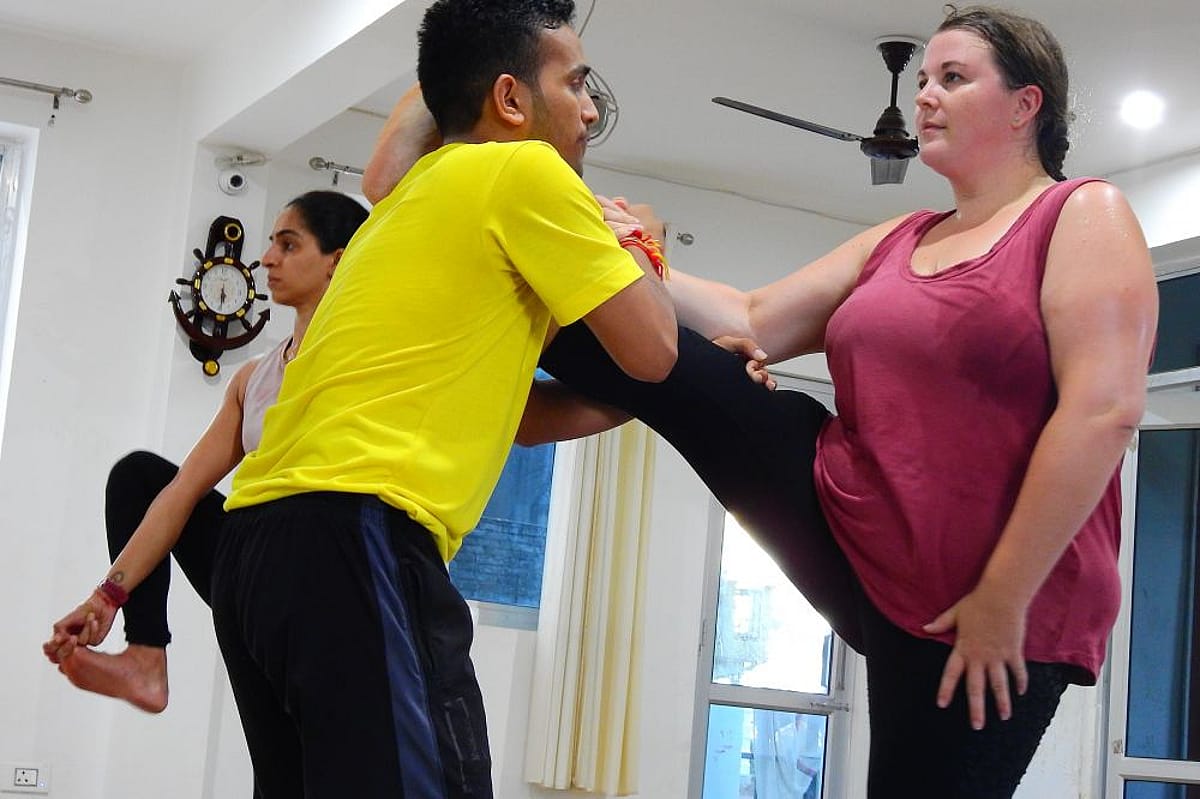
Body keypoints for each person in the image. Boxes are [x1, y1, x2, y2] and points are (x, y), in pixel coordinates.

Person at [374, 6, 1158, 797]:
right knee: (674, 358)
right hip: (847, 513)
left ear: (1027, 105)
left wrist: (1004, 595)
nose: (924, 95)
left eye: (953, 78)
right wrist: (609, 246)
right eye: (922, 79)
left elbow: (1102, 411)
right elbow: (749, 319)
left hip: (985, 604)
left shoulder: (1081, 215)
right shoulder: (903, 236)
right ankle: (467, 185)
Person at [210, 1, 679, 797]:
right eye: (577, 83)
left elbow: (519, 417)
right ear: (508, 99)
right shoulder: (526, 172)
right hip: (357, 535)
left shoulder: (407, 202)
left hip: (256, 544)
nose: (592, 109)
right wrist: (644, 237)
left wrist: (633, 406)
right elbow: (656, 349)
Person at [42, 191, 369, 715]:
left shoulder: (365, 358)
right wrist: (106, 598)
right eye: (271, 244)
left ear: (338, 259)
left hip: (321, 567)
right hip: (254, 562)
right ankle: (146, 658)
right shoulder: (253, 377)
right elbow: (182, 492)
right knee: (139, 477)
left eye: (289, 244)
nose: (267, 258)